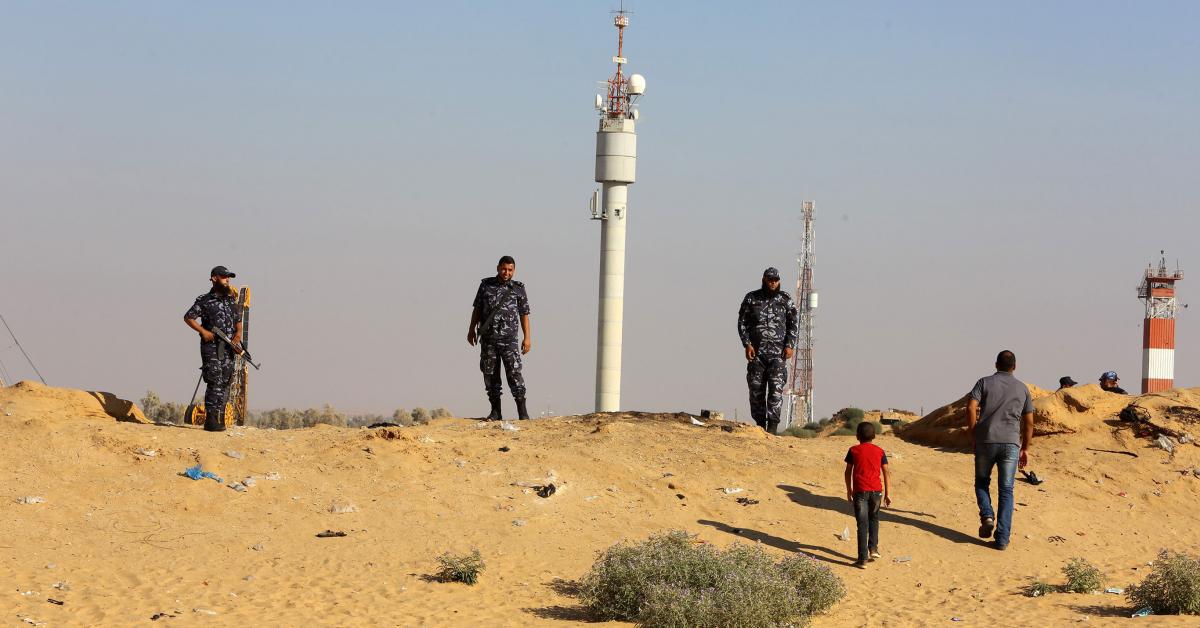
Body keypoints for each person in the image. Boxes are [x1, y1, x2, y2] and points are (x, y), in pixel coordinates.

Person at [966, 350, 1034, 550]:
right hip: (1011, 444)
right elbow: (1029, 423)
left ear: (996, 364)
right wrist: (1025, 448)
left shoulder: (984, 382)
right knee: (1006, 490)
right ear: (1015, 366)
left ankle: (987, 515)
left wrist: (972, 434)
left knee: (981, 482)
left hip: (986, 441)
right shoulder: (1022, 389)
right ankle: (1002, 538)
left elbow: (971, 407)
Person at [467, 256, 531, 420]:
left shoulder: (518, 289)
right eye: (504, 269)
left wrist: (527, 338)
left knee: (514, 375)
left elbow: (524, 314)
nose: (506, 273)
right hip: (489, 339)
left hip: (509, 341)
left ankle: (522, 413)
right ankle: (496, 412)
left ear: (514, 270)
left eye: (510, 270)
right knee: (490, 375)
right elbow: (478, 309)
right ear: (498, 268)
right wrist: (471, 329)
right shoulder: (486, 286)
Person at [737, 267, 798, 434]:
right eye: (770, 279)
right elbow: (742, 322)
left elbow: (793, 322)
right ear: (764, 279)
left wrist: (789, 345)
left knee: (776, 391)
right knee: (756, 391)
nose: (773, 282)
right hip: (757, 354)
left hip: (778, 355)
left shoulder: (785, 299)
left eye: (776, 280)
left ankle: (772, 429)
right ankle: (759, 427)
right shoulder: (751, 298)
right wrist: (747, 344)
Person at [183, 266, 244, 432]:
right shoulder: (205, 300)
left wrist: (238, 334)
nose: (227, 280)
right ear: (214, 278)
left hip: (229, 348)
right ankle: (210, 420)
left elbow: (238, 320)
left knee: (225, 381)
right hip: (211, 347)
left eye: (229, 277)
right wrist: (203, 332)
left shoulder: (231, 300)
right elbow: (188, 317)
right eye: (224, 277)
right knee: (214, 379)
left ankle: (219, 417)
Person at [844, 421, 891, 568]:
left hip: (860, 492)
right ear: (874, 436)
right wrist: (888, 493)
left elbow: (847, 472)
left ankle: (862, 559)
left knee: (862, 524)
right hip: (877, 491)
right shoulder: (880, 451)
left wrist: (849, 489)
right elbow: (886, 472)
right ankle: (873, 548)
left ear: (857, 436)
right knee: (874, 519)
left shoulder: (853, 450)